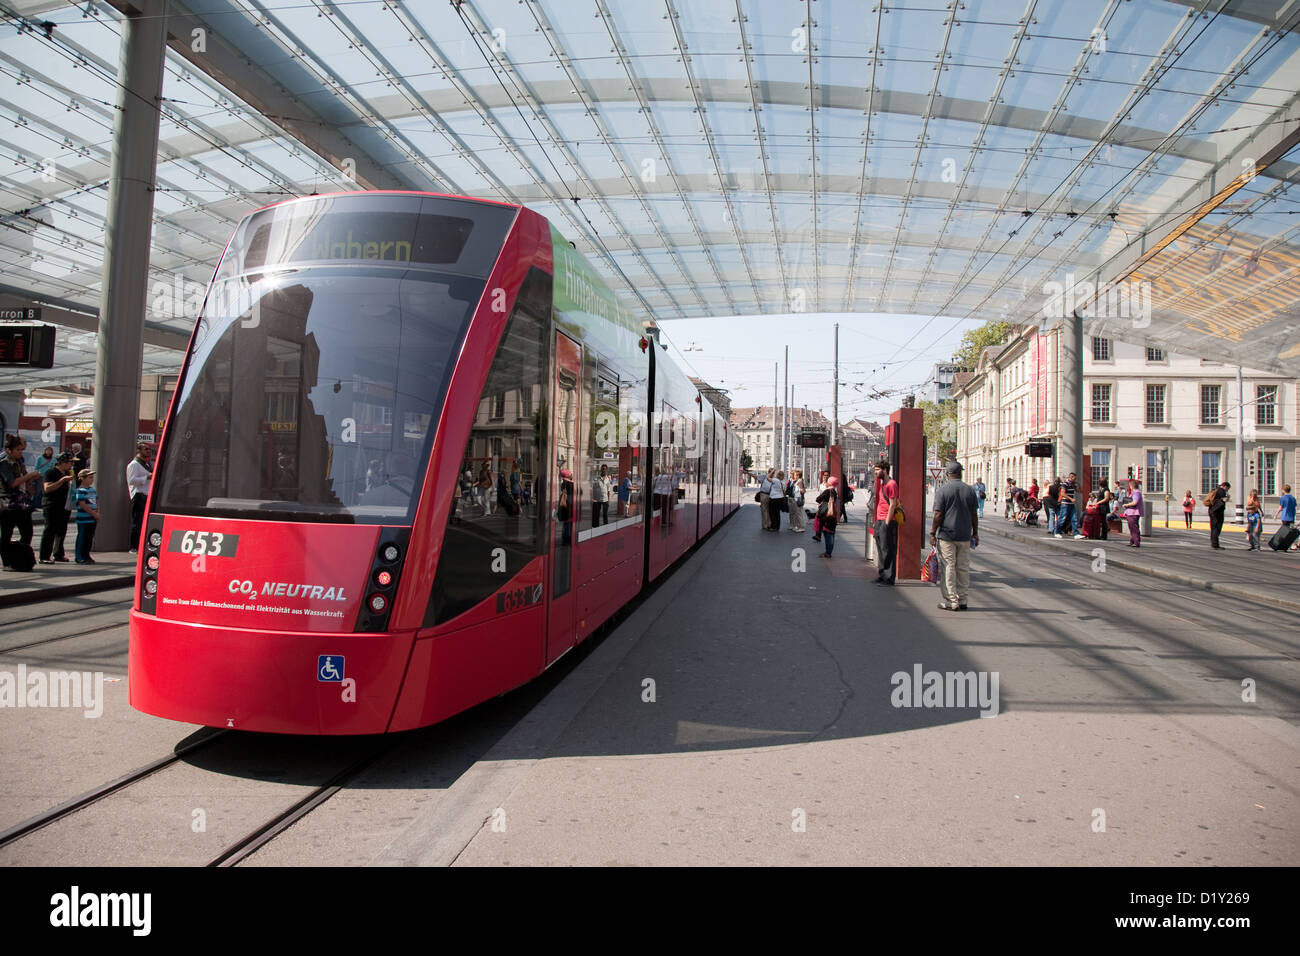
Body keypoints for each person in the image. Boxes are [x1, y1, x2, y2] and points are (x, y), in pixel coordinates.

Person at [931, 461, 979, 610]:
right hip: (964, 535)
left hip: (947, 535)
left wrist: (933, 532)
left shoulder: (943, 490)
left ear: (947, 474)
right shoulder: (970, 490)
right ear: (961, 473)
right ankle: (963, 599)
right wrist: (975, 533)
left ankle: (952, 601)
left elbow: (938, 514)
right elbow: (974, 515)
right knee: (963, 568)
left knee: (948, 567)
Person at [1, 434, 41, 568]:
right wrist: (29, 476)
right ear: (9, 450)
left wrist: (30, 482)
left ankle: (21, 557)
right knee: (6, 532)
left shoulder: (20, 462)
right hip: (8, 502)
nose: (20, 452)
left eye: (21, 450)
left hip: (21, 502)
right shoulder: (4, 464)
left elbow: (23, 479)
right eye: (17, 450)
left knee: (27, 531)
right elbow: (12, 483)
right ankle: (7, 561)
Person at [39, 452, 76, 564]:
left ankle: (58, 553)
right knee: (50, 530)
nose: (72, 464)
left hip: (64, 505)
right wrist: (62, 481)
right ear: (62, 462)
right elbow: (47, 488)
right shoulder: (51, 472)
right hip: (52, 505)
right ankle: (44, 556)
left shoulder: (67, 473)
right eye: (70, 462)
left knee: (61, 530)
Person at [873, 459, 899, 585]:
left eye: (877, 470)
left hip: (886, 521)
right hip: (880, 520)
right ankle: (882, 574)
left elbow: (893, 505)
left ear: (884, 470)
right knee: (881, 549)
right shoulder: (884, 484)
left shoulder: (891, 484)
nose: (876, 473)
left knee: (887, 549)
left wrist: (887, 523)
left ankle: (889, 577)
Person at [126, 442, 153, 551]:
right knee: (137, 521)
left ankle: (141, 544)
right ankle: (134, 546)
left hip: (146, 494)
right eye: (146, 449)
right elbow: (131, 480)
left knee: (144, 521)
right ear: (139, 450)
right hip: (138, 494)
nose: (148, 451)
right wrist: (146, 477)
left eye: (149, 449)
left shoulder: (147, 464)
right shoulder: (134, 464)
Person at [73, 468, 99, 564]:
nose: (91, 480)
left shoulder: (92, 490)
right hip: (83, 519)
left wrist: (97, 512)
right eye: (89, 478)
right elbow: (83, 504)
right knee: (82, 537)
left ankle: (86, 554)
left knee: (89, 537)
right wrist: (93, 513)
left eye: (92, 478)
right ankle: (79, 556)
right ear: (82, 479)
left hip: (92, 518)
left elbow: (96, 501)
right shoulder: (80, 490)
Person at [815, 476, 840, 557]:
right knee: (832, 533)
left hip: (826, 515)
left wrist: (822, 501)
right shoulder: (835, 492)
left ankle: (828, 552)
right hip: (833, 515)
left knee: (827, 534)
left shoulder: (827, 491)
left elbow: (818, 499)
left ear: (829, 482)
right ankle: (829, 551)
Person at [29, 445, 54, 510]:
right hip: (41, 476)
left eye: (50, 450)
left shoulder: (53, 459)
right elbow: (36, 468)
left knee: (45, 491)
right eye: (47, 450)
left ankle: (43, 504)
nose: (48, 452)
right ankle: (35, 504)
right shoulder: (40, 458)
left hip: (49, 477)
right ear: (45, 451)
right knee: (38, 491)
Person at [1207, 480, 1230, 549]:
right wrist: (1226, 498)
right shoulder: (1222, 491)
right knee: (1217, 528)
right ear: (1225, 486)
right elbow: (1223, 500)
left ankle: (1213, 543)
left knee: (1213, 527)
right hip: (1218, 512)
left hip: (1212, 511)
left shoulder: (1215, 490)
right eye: (1227, 489)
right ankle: (1215, 544)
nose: (1227, 490)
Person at [1274, 484, 1297, 550]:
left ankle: (1280, 544)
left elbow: (1281, 507)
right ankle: (1291, 544)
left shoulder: (1283, 498)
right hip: (1292, 517)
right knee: (1291, 532)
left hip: (1285, 517)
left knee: (1284, 531)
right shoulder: (1293, 498)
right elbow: (1294, 507)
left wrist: (1276, 515)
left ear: (1283, 490)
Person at [1123, 479, 1143, 548]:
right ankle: (1133, 541)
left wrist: (1126, 505)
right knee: (1132, 527)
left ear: (1132, 486)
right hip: (1131, 512)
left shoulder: (1136, 493)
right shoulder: (1134, 493)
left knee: (1134, 527)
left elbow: (1135, 502)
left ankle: (1136, 541)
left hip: (1133, 512)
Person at [1060, 472, 1081, 538]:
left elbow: (1080, 491)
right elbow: (1062, 494)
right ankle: (1057, 531)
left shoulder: (1073, 484)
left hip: (1071, 504)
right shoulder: (1065, 484)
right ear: (1071, 477)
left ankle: (1076, 533)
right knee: (1062, 518)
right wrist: (1071, 498)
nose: (1075, 479)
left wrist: (1078, 484)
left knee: (1074, 518)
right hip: (1065, 503)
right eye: (1075, 478)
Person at [1095, 477, 1113, 541]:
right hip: (1100, 507)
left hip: (1103, 507)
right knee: (1100, 521)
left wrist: (1098, 502)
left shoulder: (1106, 489)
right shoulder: (1101, 489)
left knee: (1103, 521)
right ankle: (1099, 534)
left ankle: (1104, 535)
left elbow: (1106, 498)